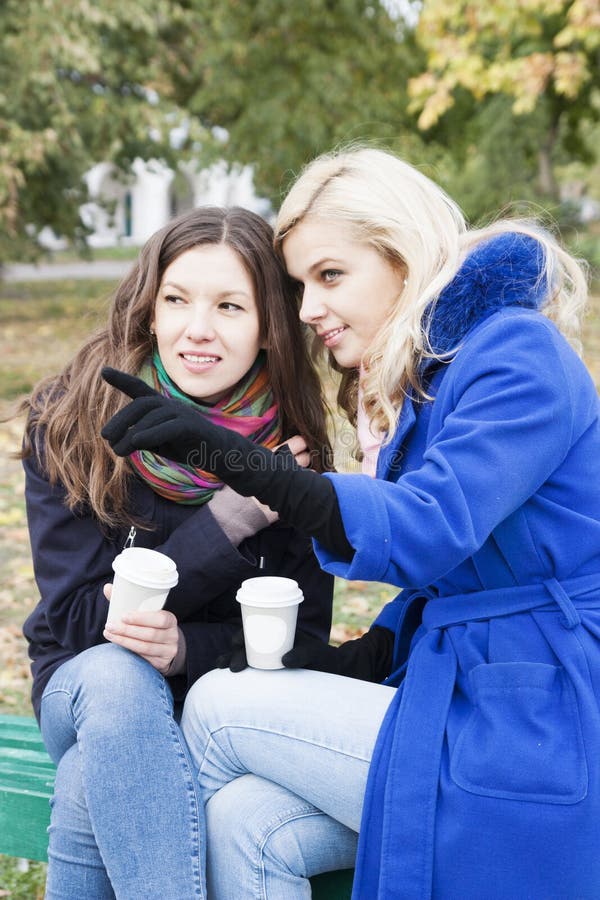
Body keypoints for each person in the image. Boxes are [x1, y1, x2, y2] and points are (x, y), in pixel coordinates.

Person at [101, 147, 600, 899]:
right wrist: (357, 660)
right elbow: (460, 580)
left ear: (402, 256)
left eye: (330, 275)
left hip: (541, 720)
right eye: (300, 283)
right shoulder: (445, 370)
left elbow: (428, 525)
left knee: (217, 705)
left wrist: (225, 453)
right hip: (472, 692)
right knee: (243, 821)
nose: (306, 309)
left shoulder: (516, 354)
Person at [20, 205, 334, 900]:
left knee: (82, 782)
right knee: (114, 677)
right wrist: (227, 520)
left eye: (230, 305)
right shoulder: (69, 422)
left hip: (214, 707)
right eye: (177, 300)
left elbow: (302, 641)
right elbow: (74, 620)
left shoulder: (291, 455)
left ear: (269, 328)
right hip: (81, 690)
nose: (198, 329)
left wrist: (185, 649)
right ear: (149, 309)